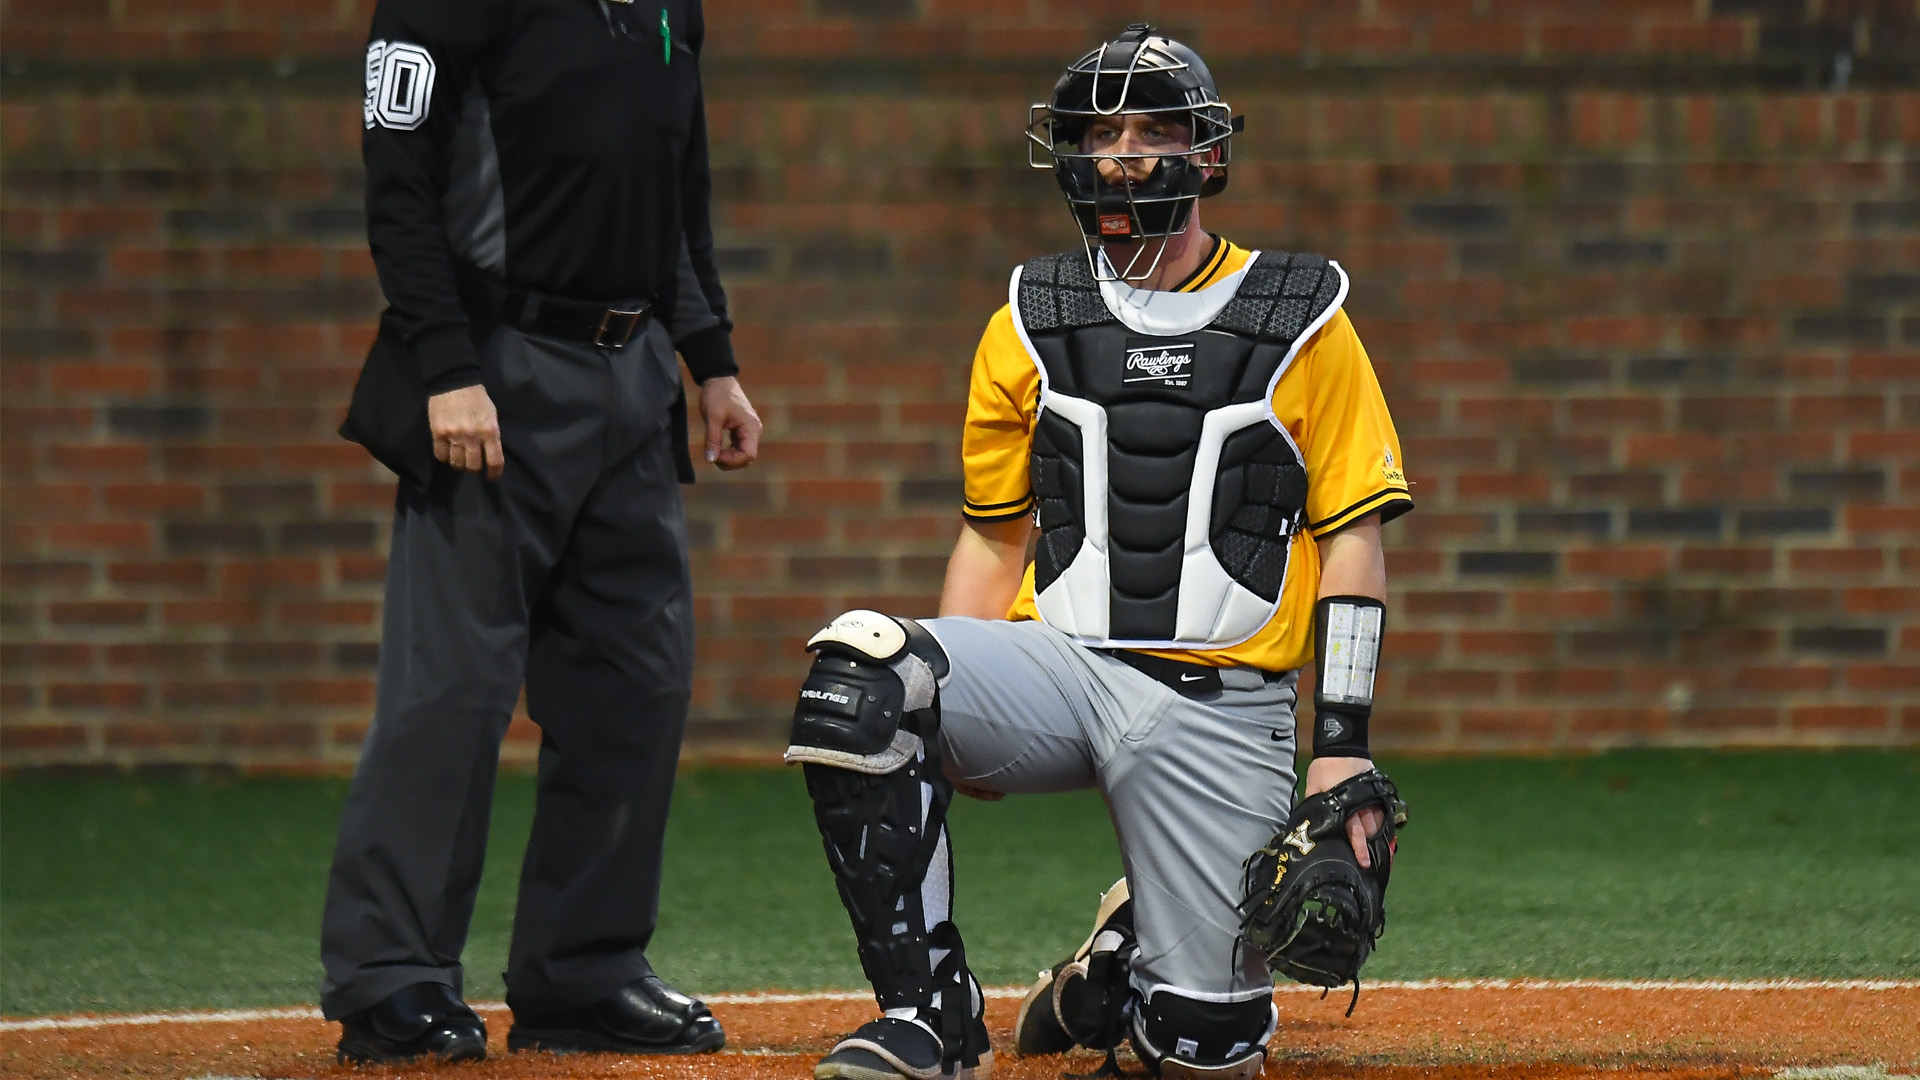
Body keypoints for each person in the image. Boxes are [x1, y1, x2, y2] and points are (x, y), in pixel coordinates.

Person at [782, 24, 1412, 1080]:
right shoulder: (1030, 318)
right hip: (1060, 670)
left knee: (1203, 1051)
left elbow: (1351, 543)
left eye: (1154, 130)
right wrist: (948, 705)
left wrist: (1341, 742)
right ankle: (928, 1013)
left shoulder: (1307, 320)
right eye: (1099, 133)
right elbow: (993, 535)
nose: (1124, 155)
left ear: (1209, 155)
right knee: (865, 677)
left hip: (1226, 705)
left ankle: (1118, 963)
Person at [321, 0, 760, 1065]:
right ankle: (392, 978)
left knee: (636, 684)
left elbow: (676, 185)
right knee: (451, 689)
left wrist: (711, 357)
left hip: (634, 368)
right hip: (496, 367)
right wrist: (447, 367)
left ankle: (583, 973)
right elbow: (403, 186)